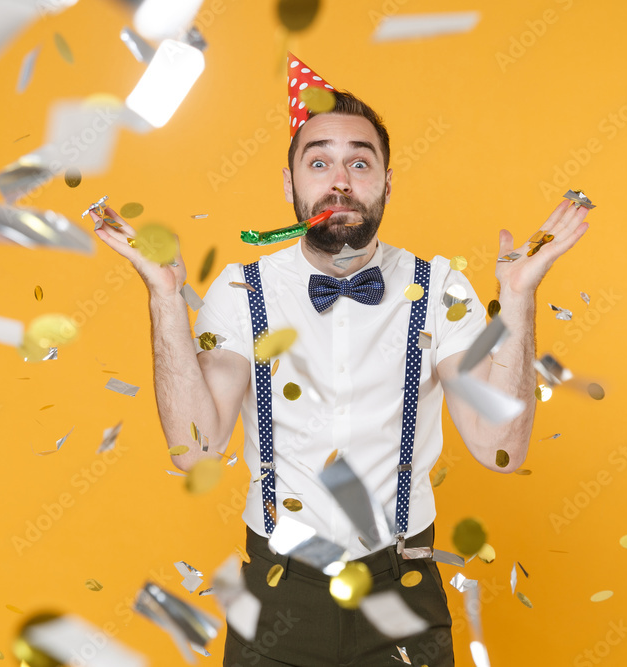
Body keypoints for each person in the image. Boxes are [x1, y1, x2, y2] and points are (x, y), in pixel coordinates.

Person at [91, 55, 590, 667]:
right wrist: (166, 302)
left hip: (401, 593)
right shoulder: (240, 291)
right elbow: (195, 448)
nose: (340, 180)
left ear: (386, 182)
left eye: (360, 161)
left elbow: (500, 450)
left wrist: (517, 300)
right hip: (277, 596)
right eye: (319, 161)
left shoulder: (438, 289)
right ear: (290, 185)